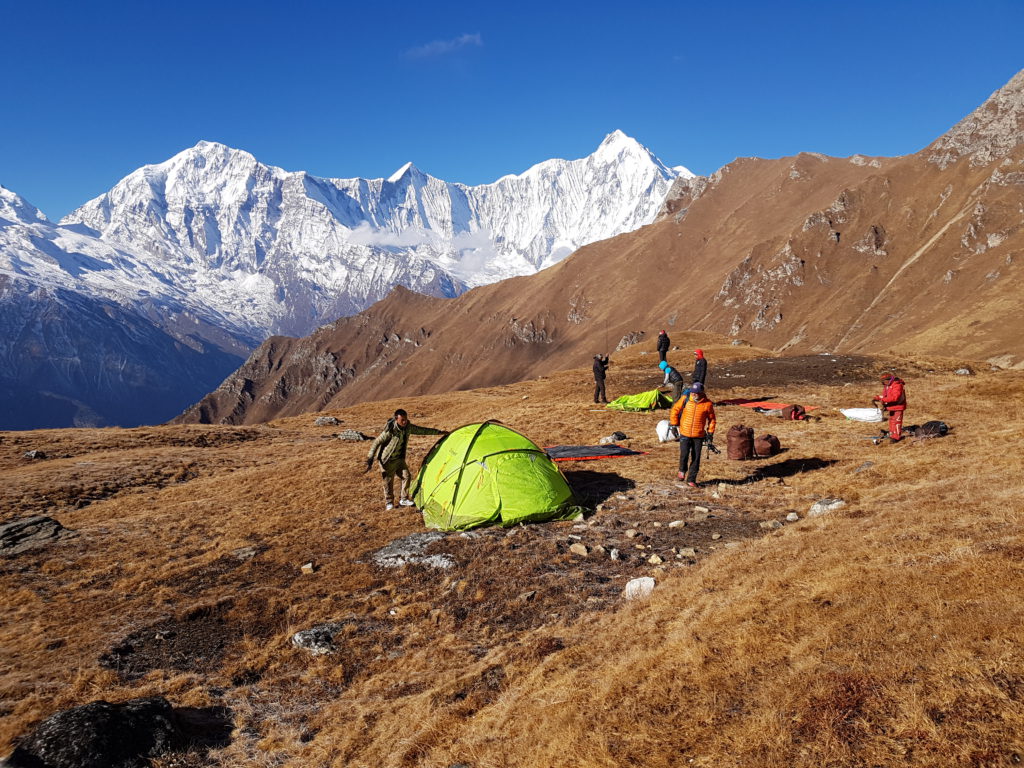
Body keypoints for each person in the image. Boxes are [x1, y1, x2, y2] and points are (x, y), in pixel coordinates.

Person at [366, 408, 446, 510]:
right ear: (396, 419)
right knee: (388, 481)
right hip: (387, 460)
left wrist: (439, 432)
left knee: (407, 476)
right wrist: (370, 457)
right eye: (402, 420)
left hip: (399, 459)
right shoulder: (390, 430)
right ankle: (389, 502)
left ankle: (403, 499)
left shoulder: (408, 427)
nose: (404, 422)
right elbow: (376, 442)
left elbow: (422, 430)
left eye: (406, 419)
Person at [668, 381, 716, 487]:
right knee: (684, 454)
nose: (693, 394)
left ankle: (691, 479)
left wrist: (710, 432)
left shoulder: (707, 404)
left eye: (696, 393)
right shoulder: (685, 399)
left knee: (696, 457)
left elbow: (712, 419)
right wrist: (674, 424)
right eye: (693, 392)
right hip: (684, 432)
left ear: (701, 393)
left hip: (698, 435)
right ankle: (682, 470)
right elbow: (675, 410)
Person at [872, 373, 907, 442]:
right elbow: (886, 396)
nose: (883, 383)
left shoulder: (897, 385)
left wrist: (883, 400)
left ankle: (896, 438)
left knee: (897, 422)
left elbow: (895, 397)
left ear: (888, 380)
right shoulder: (887, 385)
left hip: (898, 406)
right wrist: (879, 398)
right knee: (892, 421)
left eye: (883, 381)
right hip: (892, 406)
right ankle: (892, 435)